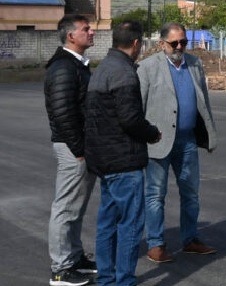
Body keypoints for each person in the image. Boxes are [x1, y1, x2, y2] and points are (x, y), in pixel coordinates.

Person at [84, 21, 162, 286]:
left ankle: (106, 278)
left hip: (104, 159)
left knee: (107, 222)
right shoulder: (124, 73)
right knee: (130, 224)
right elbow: (130, 119)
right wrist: (152, 133)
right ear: (137, 43)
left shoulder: (101, 69)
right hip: (123, 161)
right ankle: (124, 280)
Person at [138, 23, 218, 263]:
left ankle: (190, 239)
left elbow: (203, 101)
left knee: (191, 194)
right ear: (162, 44)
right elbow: (138, 108)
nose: (180, 47)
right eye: (175, 43)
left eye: (184, 42)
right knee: (155, 195)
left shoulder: (194, 64)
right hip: (158, 142)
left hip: (187, 141)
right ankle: (155, 244)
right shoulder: (147, 68)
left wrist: (210, 134)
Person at [45, 14, 98, 286]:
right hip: (73, 148)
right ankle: (61, 269)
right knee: (65, 208)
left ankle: (75, 258)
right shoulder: (64, 68)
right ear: (71, 36)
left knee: (76, 207)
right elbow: (63, 112)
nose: (92, 32)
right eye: (86, 29)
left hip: (80, 146)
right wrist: (79, 149)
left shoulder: (75, 65)